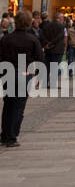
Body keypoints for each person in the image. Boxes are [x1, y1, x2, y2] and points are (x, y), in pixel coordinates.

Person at [0, 11, 43, 147]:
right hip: (24, 74)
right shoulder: (32, 39)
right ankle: (12, 137)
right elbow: (40, 59)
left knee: (8, 105)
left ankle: (5, 135)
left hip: (8, 73)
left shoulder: (6, 38)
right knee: (18, 106)